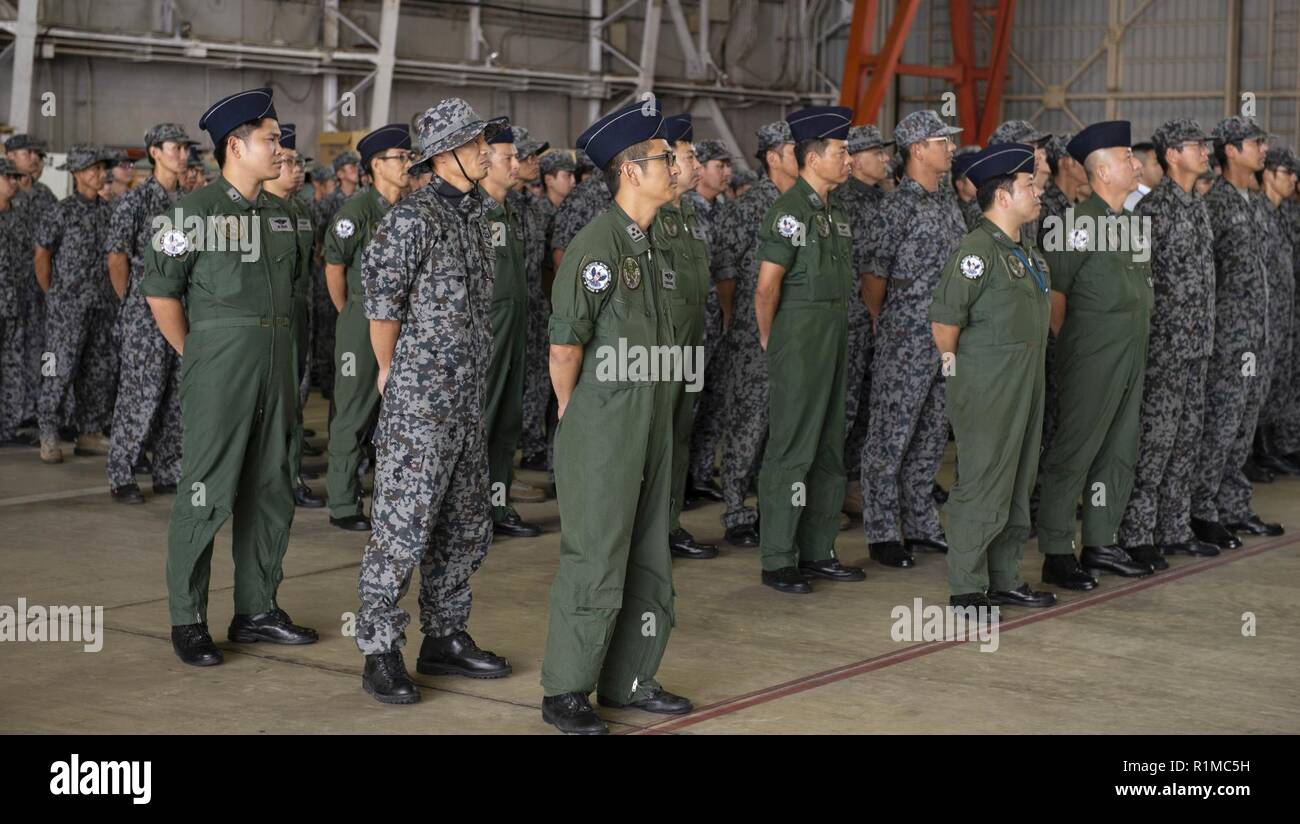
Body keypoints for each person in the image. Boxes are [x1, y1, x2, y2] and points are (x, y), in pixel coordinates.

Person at [142, 86, 318, 666]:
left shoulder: (286, 216)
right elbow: (161, 293)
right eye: (270, 140)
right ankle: (188, 618)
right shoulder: (192, 214)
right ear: (236, 146)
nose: (280, 148)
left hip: (277, 363)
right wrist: (196, 354)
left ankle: (256, 609)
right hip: (221, 366)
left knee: (271, 486)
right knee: (206, 491)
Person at [540, 99, 692, 734]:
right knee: (597, 553)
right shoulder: (595, 246)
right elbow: (564, 347)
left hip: (654, 416)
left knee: (651, 549)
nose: (675, 169)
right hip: (607, 422)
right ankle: (566, 690)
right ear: (630, 171)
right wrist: (577, 413)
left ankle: (631, 676)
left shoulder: (653, 242)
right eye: (663, 159)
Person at [355, 98, 512, 705]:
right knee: (403, 526)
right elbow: (383, 306)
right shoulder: (411, 219)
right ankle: (379, 649)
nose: (484, 152)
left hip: (467, 399)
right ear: (445, 154)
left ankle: (443, 636)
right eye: (474, 143)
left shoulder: (475, 215)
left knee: (464, 521)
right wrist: (392, 373)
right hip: (421, 404)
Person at [930, 143, 1057, 608]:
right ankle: (967, 585)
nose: (1037, 191)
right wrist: (965, 378)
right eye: (1028, 185)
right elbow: (945, 323)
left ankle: (1005, 578)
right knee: (983, 480)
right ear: (1002, 196)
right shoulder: (976, 250)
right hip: (988, 384)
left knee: (1019, 479)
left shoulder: (1023, 251)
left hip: (1026, 382)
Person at [1036, 120, 1154, 587]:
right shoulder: (1073, 225)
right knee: (1075, 449)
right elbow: (1055, 299)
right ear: (1103, 171)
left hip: (1132, 353)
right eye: (1128, 158)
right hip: (1091, 355)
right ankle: (1057, 549)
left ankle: (1101, 541)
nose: (1137, 164)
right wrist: (1078, 352)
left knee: (1119, 448)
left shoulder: (1130, 223)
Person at [753, 105, 866, 594]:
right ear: (814, 156)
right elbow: (766, 288)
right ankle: (779, 556)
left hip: (834, 334)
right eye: (841, 152)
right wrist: (771, 339)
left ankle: (819, 549)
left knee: (827, 446)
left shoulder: (836, 210)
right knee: (792, 447)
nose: (849, 160)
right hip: (799, 336)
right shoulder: (789, 211)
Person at [861, 110, 965, 569]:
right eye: (942, 141)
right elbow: (873, 280)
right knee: (891, 436)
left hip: (948, 338)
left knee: (931, 434)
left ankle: (921, 521)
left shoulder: (947, 202)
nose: (951, 148)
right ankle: (883, 530)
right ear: (918, 148)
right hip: (906, 337)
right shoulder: (896, 206)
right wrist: (895, 324)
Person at [1114, 119, 1222, 561]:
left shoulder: (1197, 206)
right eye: (1197, 146)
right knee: (1155, 442)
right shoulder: (1152, 211)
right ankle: (1137, 533)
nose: (1205, 153)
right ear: (1172, 153)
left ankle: (1174, 527)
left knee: (1187, 439)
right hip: (1164, 348)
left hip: (1198, 346)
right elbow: (1138, 281)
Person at [1192, 116, 1285, 547]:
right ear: (1230, 150)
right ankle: (1202, 509)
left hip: (1259, 338)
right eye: (1255, 142)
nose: (1263, 149)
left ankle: (1233, 506)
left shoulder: (1258, 204)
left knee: (1243, 429)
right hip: (1229, 341)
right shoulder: (1217, 204)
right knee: (1221, 427)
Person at [324, 123, 413, 531]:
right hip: (363, 320)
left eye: (409, 156)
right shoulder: (356, 212)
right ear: (376, 165)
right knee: (354, 413)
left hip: (406, 320)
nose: (408, 163)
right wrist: (351, 315)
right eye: (400, 157)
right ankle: (343, 502)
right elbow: (335, 269)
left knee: (399, 417)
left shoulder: (411, 209)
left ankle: (393, 501)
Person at [714, 121, 797, 548]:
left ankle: (772, 508)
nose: (802, 156)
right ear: (772, 158)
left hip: (793, 334)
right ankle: (735, 509)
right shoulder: (749, 207)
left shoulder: (804, 204)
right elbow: (726, 272)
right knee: (749, 421)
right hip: (753, 332)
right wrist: (736, 321)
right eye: (793, 150)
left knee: (782, 426)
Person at [105, 124, 197, 503]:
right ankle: (121, 472)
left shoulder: (189, 203)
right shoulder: (136, 200)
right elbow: (116, 256)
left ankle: (167, 469)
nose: (183, 155)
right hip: (144, 315)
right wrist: (131, 301)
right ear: (155, 152)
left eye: (185, 149)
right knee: (139, 394)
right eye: (175, 148)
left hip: (181, 309)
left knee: (176, 393)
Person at [655, 113, 718, 559]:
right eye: (690, 155)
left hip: (691, 339)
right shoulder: (649, 213)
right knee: (655, 436)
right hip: (659, 345)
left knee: (679, 433)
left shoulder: (691, 211)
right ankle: (650, 528)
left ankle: (670, 522)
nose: (697, 163)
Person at [478, 122, 543, 538]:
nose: (517, 164)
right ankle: (468, 514)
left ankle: (497, 507)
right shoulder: (471, 210)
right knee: (479, 422)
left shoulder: (513, 209)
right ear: (485, 161)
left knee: (506, 423)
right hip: (485, 329)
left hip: (517, 324)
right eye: (509, 157)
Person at [34, 146, 116, 464]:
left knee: (97, 372)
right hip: (67, 309)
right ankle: (49, 433)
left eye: (101, 168)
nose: (99, 174)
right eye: (92, 169)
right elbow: (42, 255)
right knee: (60, 371)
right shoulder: (61, 211)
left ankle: (90, 433)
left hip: (101, 305)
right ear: (76, 173)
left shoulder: (107, 211)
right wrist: (52, 294)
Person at [263, 123, 327, 509]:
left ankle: (290, 475)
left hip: (298, 314)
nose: (296, 168)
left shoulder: (303, 210)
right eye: (287, 161)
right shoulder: (257, 209)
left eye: (299, 161)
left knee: (294, 400)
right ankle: (266, 480)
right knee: (268, 403)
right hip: (268, 319)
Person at [837, 124, 892, 517]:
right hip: (855, 321)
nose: (886, 158)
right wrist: (872, 314)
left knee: (866, 411)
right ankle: (827, 493)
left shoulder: (880, 201)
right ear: (854, 160)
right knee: (844, 409)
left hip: (879, 323)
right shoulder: (844, 202)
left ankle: (853, 485)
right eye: (877, 152)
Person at [1253, 147, 1300, 476]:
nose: (1294, 180)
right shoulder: (1257, 211)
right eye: (1288, 172)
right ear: (1268, 174)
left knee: (1277, 384)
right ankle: (1254, 454)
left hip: (1284, 317)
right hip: (1261, 319)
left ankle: (1269, 448)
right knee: (1257, 386)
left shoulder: (1282, 213)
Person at [0, 159, 30, 446]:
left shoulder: (18, 216)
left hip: (15, 304)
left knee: (12, 365)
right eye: (7, 177)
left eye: (14, 177)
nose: (13, 182)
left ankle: (8, 428)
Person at [1123, 142, 1163, 211]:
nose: (1162, 167)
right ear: (1139, 167)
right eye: (1156, 163)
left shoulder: (1154, 196)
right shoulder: (1133, 202)